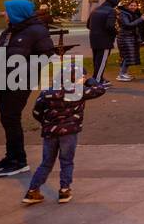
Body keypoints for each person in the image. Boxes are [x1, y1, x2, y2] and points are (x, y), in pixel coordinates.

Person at [0, 0, 56, 178]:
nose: (4, 14)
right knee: (6, 119)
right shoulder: (9, 30)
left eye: (6, 11)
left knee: (11, 117)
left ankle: (19, 161)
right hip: (2, 80)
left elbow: (47, 56)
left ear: (17, 12)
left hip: (20, 81)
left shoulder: (37, 31)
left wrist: (22, 71)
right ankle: (11, 157)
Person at [22, 60, 108, 205]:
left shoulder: (47, 92)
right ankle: (64, 190)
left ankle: (32, 191)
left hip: (50, 132)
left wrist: (46, 123)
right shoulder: (79, 92)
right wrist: (90, 81)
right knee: (66, 161)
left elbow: (36, 111)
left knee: (46, 163)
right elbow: (100, 89)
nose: (83, 80)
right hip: (69, 132)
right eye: (82, 77)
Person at [86, 0, 121, 82]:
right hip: (105, 40)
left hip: (93, 39)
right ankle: (97, 80)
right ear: (115, 3)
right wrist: (116, 32)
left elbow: (88, 25)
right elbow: (109, 26)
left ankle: (97, 77)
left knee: (96, 60)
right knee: (102, 61)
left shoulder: (95, 9)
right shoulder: (111, 11)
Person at [115, 0, 144, 81]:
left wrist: (143, 19)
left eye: (135, 5)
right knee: (126, 56)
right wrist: (140, 19)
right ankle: (121, 74)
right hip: (124, 37)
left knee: (128, 56)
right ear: (128, 6)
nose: (133, 7)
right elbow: (128, 24)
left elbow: (137, 24)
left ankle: (124, 73)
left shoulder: (134, 13)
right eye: (131, 5)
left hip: (131, 37)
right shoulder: (123, 14)